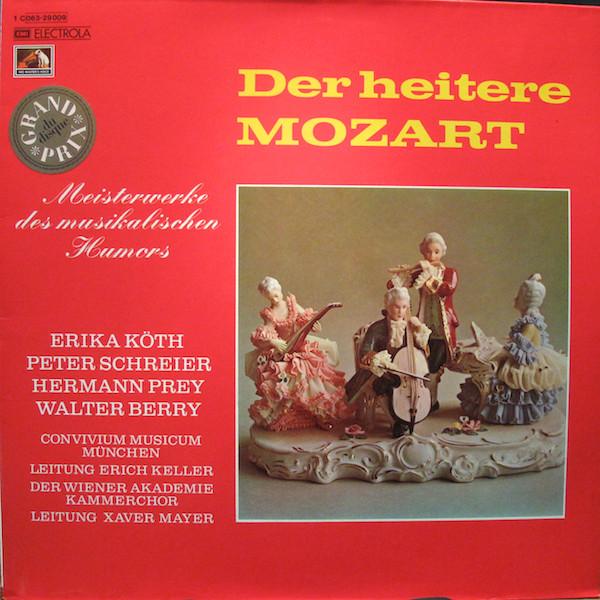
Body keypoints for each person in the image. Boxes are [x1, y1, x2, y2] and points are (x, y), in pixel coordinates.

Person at [459, 274, 567, 424]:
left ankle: (507, 413)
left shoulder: (530, 323)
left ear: (525, 300)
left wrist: (495, 351)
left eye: (518, 296)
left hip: (526, 361)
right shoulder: (528, 319)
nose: (515, 299)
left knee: (506, 378)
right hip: (522, 354)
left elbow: (519, 348)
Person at [248, 276, 352, 431]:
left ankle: (318, 413)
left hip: (300, 346)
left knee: (312, 372)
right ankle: (286, 411)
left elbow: (308, 320)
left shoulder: (292, 304)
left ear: (279, 289)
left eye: (276, 295)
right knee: (288, 376)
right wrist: (273, 342)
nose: (275, 299)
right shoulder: (270, 313)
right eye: (270, 298)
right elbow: (265, 332)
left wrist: (315, 326)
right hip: (285, 350)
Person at [345, 286, 431, 437]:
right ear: (387, 306)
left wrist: (420, 334)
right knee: (385, 386)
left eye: (404, 307)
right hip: (383, 372)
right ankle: (397, 421)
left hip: (407, 372)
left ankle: (409, 415)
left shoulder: (411, 327)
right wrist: (373, 356)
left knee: (410, 386)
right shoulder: (377, 328)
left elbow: (422, 352)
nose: (401, 311)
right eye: (396, 307)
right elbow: (365, 351)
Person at [388, 232, 458, 409]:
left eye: (436, 252)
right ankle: (421, 399)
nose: (432, 256)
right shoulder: (419, 271)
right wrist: (401, 276)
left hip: (442, 327)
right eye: (428, 252)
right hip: (424, 324)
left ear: (442, 252)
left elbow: (447, 289)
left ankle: (431, 400)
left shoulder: (449, 272)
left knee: (435, 365)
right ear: (423, 252)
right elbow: (394, 288)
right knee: (422, 363)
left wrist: (430, 277)